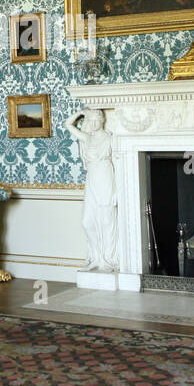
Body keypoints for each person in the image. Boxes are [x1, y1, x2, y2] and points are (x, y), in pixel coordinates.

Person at [66, 109, 118, 272]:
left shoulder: (110, 139)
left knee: (107, 219)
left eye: (97, 120)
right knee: (87, 221)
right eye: (91, 120)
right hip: (92, 178)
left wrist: (117, 191)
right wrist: (82, 113)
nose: (94, 123)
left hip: (106, 176)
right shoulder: (87, 138)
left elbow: (119, 162)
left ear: (103, 121)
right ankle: (95, 257)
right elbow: (68, 124)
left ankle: (108, 259)